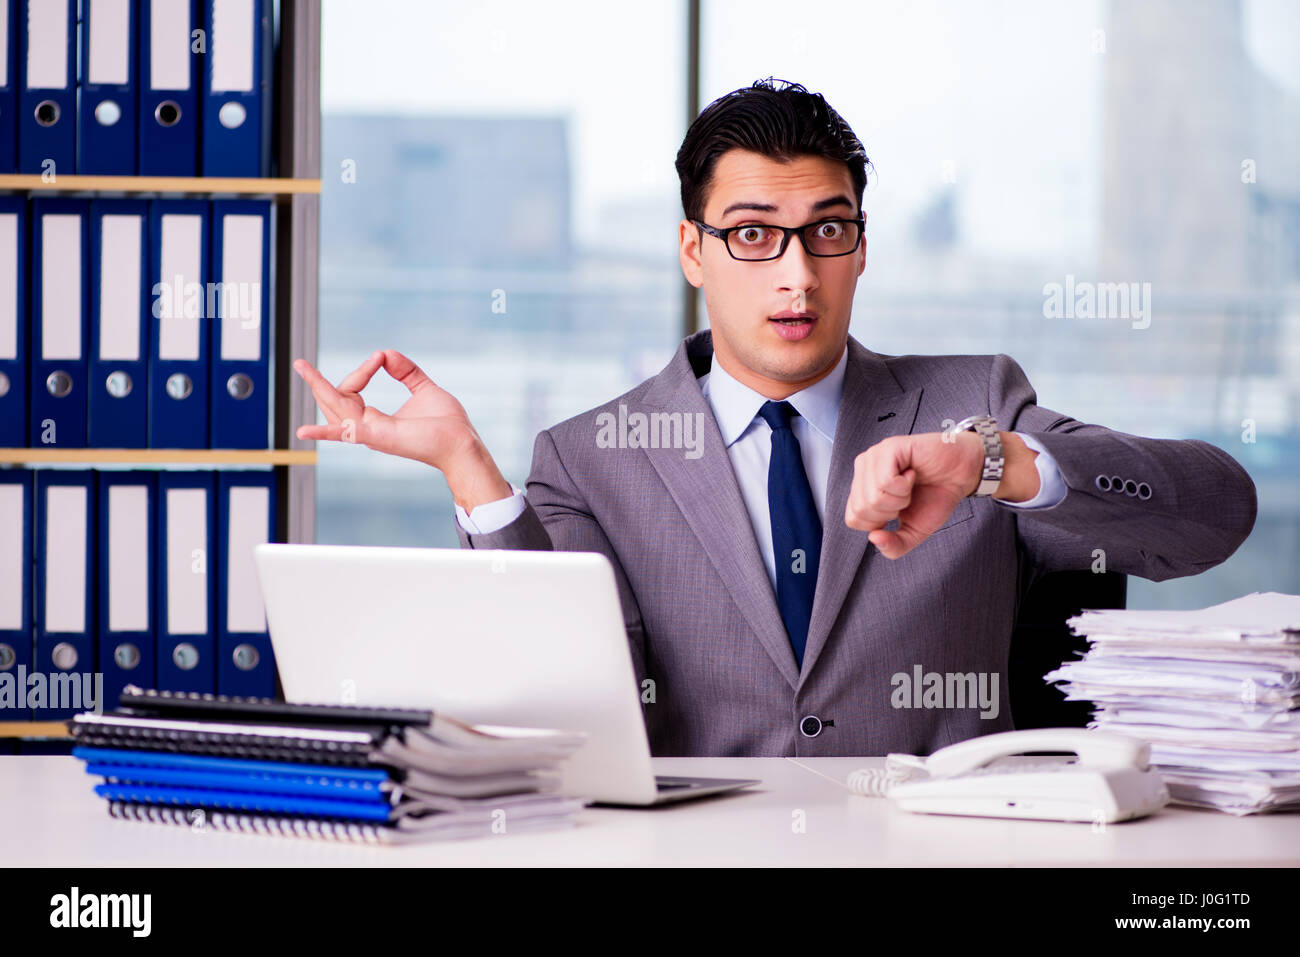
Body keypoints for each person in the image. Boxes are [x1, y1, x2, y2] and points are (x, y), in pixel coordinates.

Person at [293, 79, 1257, 757]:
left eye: (827, 232)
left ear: (862, 246)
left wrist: (991, 462)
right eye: (754, 234)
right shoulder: (588, 458)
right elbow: (575, 703)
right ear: (692, 250)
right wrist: (472, 470)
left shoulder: (977, 404)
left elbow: (1214, 515)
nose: (798, 275)